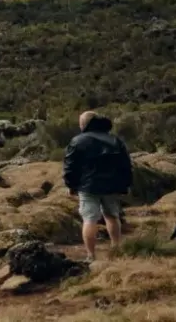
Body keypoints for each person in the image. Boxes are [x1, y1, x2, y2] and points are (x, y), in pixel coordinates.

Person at [62, 110, 133, 263]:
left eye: (81, 122)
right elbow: (126, 165)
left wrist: (70, 185)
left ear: (85, 124)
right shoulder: (115, 140)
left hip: (87, 186)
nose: (79, 125)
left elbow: (69, 166)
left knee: (89, 219)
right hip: (112, 186)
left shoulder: (77, 141)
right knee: (112, 216)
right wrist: (126, 184)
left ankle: (91, 256)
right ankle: (116, 249)